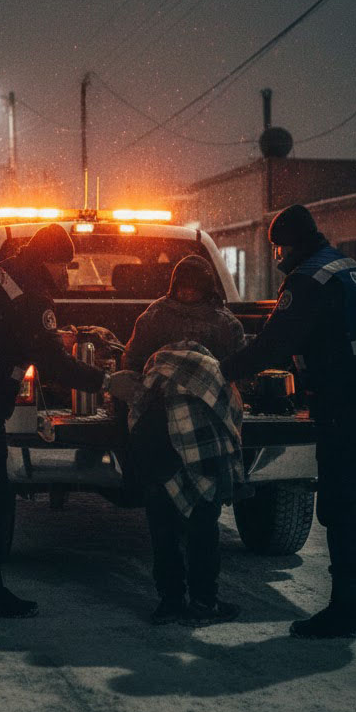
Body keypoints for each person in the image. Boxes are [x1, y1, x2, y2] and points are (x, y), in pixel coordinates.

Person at [0, 223, 135, 618]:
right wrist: (107, 382)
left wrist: (47, 340)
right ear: (49, 260)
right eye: (64, 266)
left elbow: (10, 333)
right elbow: (52, 363)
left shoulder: (2, 272)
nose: (65, 275)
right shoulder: (32, 294)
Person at [221, 204, 356, 639]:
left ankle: (344, 611)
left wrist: (220, 371)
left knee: (341, 504)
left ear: (290, 244)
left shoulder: (307, 279)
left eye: (278, 248)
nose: (278, 256)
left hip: (346, 403)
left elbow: (273, 344)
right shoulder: (346, 267)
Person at [122, 255, 247, 625]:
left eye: (194, 287)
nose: (188, 292)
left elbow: (131, 364)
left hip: (188, 431)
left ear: (207, 288)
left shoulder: (219, 321)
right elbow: (134, 364)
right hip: (178, 430)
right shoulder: (157, 317)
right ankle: (181, 600)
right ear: (173, 285)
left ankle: (190, 599)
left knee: (193, 521)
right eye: (183, 286)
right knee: (176, 520)